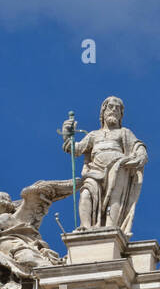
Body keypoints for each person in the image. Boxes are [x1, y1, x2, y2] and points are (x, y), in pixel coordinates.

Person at [63, 96, 147, 232]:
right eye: (111, 107)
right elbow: (75, 149)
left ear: (121, 115)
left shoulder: (124, 132)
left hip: (118, 166)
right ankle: (85, 226)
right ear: (103, 111)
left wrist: (141, 153)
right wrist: (67, 135)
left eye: (118, 108)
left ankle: (110, 229)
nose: (114, 110)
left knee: (115, 198)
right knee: (86, 193)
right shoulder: (93, 135)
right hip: (95, 170)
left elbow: (137, 145)